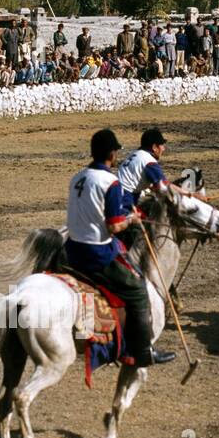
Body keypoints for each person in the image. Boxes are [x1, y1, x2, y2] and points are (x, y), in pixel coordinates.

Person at [63, 128, 175, 369]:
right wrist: (131, 220)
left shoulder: (78, 176)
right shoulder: (110, 181)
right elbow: (114, 226)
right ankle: (141, 352)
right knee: (137, 289)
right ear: (112, 154)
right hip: (96, 253)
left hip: (70, 249)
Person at [116, 127, 170, 201]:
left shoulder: (135, 154)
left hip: (117, 193)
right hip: (125, 199)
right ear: (154, 147)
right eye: (162, 145)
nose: (163, 149)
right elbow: (164, 186)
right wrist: (186, 193)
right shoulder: (149, 162)